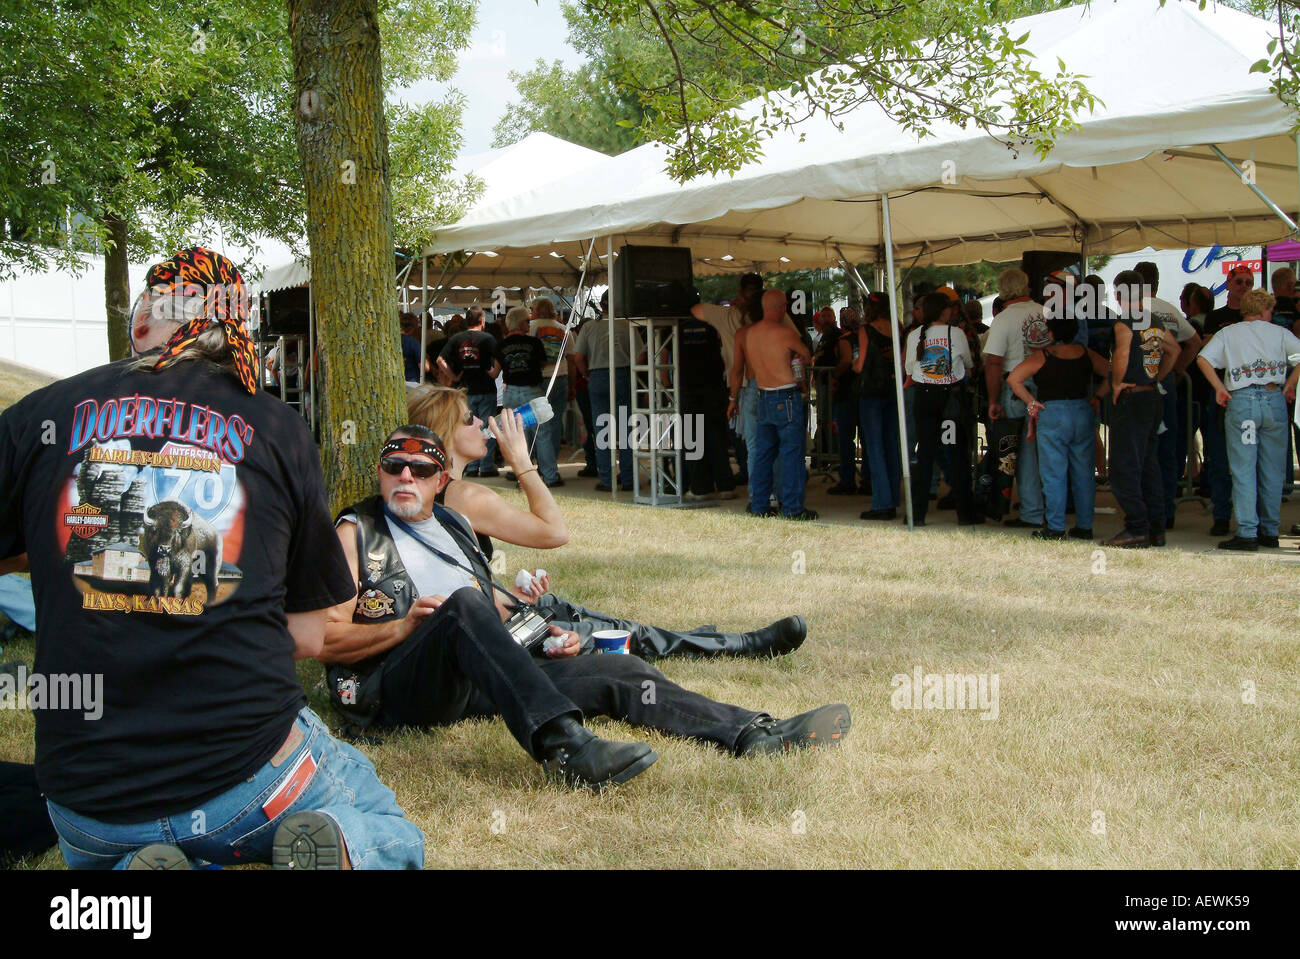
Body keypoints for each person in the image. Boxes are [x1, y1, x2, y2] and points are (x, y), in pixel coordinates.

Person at [0, 247, 423, 870]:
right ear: (234, 331)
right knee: (389, 827)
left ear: (143, 320)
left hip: (90, 810)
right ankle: (342, 845)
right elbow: (309, 636)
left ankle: (137, 867)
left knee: (115, 853)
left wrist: (53, 552)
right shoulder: (275, 426)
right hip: (249, 785)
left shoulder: (43, 414)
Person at [326, 426, 849, 786]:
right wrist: (401, 628)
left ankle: (753, 733)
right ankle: (565, 747)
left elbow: (488, 613)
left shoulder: (454, 525)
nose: (406, 478)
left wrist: (542, 636)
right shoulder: (355, 533)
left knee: (621, 670)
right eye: (395, 466)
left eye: (420, 469)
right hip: (397, 689)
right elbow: (323, 640)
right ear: (381, 472)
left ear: (441, 481)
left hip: (475, 683)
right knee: (460, 606)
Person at [405, 385, 805, 658]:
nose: (480, 423)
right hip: (504, 635)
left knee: (609, 623)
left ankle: (700, 638)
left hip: (498, 618)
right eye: (468, 420)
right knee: (625, 638)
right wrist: (522, 462)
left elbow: (461, 582)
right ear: (444, 435)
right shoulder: (464, 495)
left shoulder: (442, 493)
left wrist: (508, 596)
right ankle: (740, 645)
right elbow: (555, 532)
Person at [1196, 289, 1300, 550]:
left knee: (1244, 468)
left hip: (1242, 402)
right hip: (1273, 399)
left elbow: (1203, 359)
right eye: (1270, 310)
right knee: (1272, 469)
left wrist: (1219, 387)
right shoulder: (1279, 333)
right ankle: (1270, 529)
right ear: (1264, 310)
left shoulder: (1228, 333)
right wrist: (1290, 383)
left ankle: (1247, 531)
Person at [1008, 313, 1111, 539]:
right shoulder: (1087, 353)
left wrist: (1031, 402)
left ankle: (1055, 527)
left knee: (1054, 474)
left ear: (1051, 333)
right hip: (1082, 410)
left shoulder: (1043, 355)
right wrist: (1098, 397)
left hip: (1052, 413)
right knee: (1084, 473)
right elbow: (1111, 373)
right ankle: (1084, 526)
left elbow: (1014, 378)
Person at [1105, 270, 1181, 548]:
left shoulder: (1125, 322)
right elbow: (1174, 350)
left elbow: (1123, 352)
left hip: (1132, 399)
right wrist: (1157, 377)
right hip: (1152, 397)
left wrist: (1117, 383)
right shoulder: (1155, 320)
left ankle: (1136, 527)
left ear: (1118, 294)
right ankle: (1156, 529)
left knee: (1124, 467)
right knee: (1149, 466)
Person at [729, 289, 817, 520]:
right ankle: (792, 508)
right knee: (791, 454)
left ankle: (759, 504)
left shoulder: (749, 334)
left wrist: (732, 398)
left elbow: (739, 368)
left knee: (762, 455)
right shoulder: (785, 333)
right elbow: (806, 355)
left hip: (763, 395)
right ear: (781, 308)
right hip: (785, 395)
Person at [1133, 261, 1204, 531]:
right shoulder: (1170, 310)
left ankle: (1148, 509)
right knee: (1168, 447)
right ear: (1157, 283)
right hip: (1168, 383)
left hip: (1143, 382)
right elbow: (1194, 342)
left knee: (1142, 447)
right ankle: (1167, 509)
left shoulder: (1137, 309)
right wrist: (1176, 371)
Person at [904, 293, 979, 526]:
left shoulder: (914, 335)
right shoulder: (955, 333)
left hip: (925, 398)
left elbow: (909, 368)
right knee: (955, 454)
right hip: (949, 401)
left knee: (925, 454)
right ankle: (965, 513)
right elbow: (968, 362)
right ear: (944, 311)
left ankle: (917, 514)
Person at [984, 268, 1050, 528]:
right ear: (1026, 286)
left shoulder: (1003, 319)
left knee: (1022, 451)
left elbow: (993, 362)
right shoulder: (1045, 312)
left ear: (1002, 290)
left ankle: (1032, 511)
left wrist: (993, 400)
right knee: (1047, 449)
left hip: (1016, 386)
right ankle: (1051, 506)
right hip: (1047, 384)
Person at [1198, 265, 1255, 534]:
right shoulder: (1216, 316)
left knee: (1250, 458)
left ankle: (1252, 519)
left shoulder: (1257, 317)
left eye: (1248, 282)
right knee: (1219, 457)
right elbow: (1209, 352)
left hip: (1250, 392)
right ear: (1229, 283)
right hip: (1221, 390)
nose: (1244, 286)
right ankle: (1221, 515)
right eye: (1239, 281)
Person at [572, 292, 633, 491]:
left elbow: (578, 357)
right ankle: (628, 478)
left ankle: (607, 479)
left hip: (597, 375)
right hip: (623, 374)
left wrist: (586, 374)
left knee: (602, 428)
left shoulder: (589, 327)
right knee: (626, 428)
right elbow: (641, 355)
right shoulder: (627, 325)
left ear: (601, 304)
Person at [854, 292, 903, 519]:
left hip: (872, 391)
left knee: (874, 447)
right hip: (893, 388)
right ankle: (893, 496)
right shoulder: (898, 328)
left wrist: (854, 364)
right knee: (892, 445)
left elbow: (861, 364)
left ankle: (882, 503)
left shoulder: (866, 330)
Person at [495, 306, 557, 487]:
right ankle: (550, 476)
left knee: (518, 435)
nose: (529, 324)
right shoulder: (534, 343)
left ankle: (522, 476)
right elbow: (543, 363)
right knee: (542, 434)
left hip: (510, 392)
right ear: (521, 323)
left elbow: (496, 370)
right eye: (527, 321)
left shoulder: (501, 345)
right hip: (532, 391)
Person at [439, 305, 500, 476]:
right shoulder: (488, 339)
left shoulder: (457, 338)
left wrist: (454, 376)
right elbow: (500, 357)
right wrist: (494, 372)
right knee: (487, 427)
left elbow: (440, 360)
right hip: (486, 388)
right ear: (482, 321)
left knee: (467, 428)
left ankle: (471, 466)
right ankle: (486, 466)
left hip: (465, 390)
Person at [529, 297, 571, 486]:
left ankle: (537, 463)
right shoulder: (564, 329)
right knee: (554, 423)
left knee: (535, 423)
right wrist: (573, 384)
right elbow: (571, 357)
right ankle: (550, 465)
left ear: (536, 310)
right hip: (560, 377)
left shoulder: (530, 328)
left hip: (537, 379)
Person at [827, 307, 862, 495]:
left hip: (846, 391)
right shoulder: (864, 337)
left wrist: (835, 377)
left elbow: (846, 361)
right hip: (862, 390)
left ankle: (847, 479)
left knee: (845, 439)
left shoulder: (844, 340)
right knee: (865, 437)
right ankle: (868, 478)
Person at [399, 312, 422, 386]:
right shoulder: (412, 342)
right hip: (411, 382)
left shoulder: (392, 340)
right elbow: (424, 367)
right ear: (413, 327)